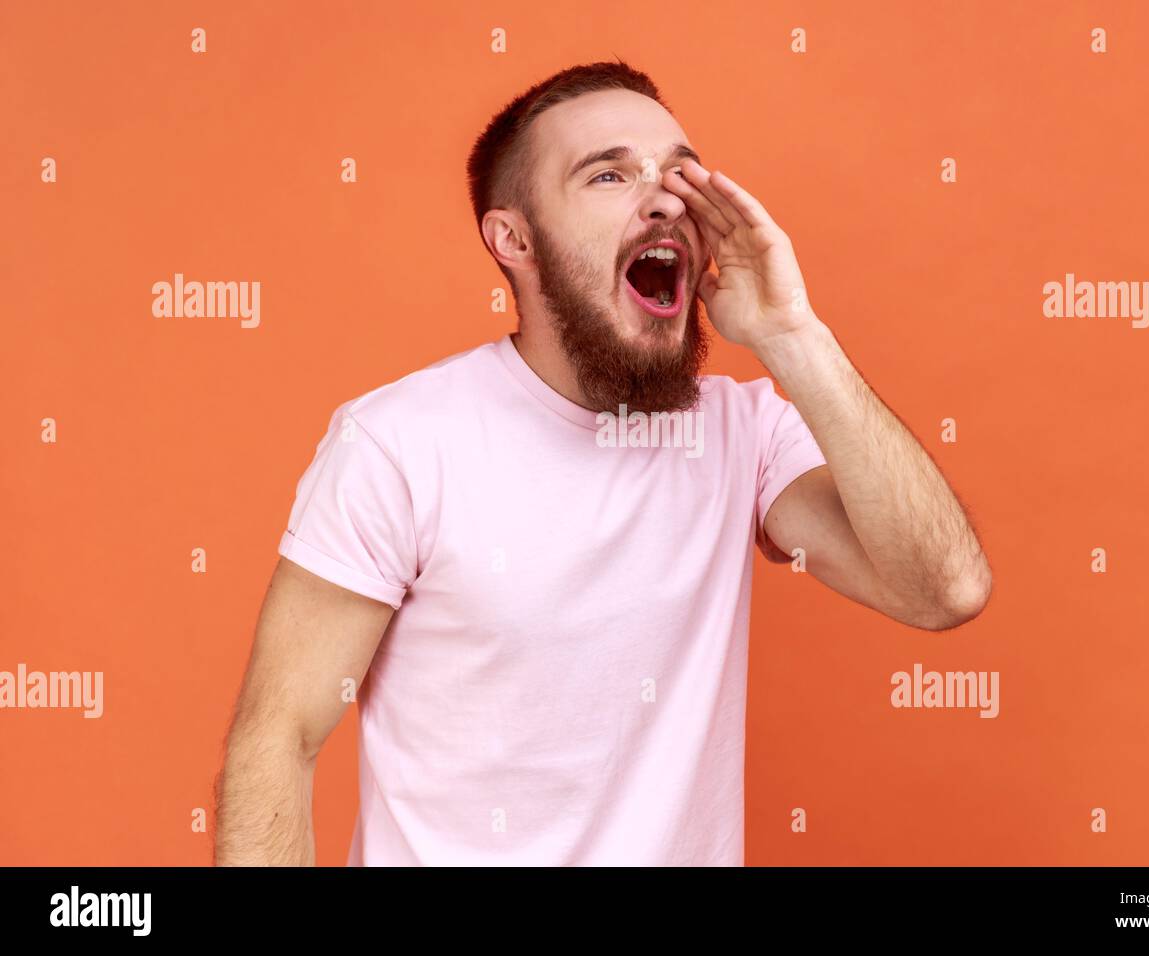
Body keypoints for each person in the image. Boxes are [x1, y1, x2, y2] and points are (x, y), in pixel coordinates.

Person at [214, 60, 993, 866]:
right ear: (514, 239)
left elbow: (945, 591)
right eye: (608, 174)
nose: (666, 197)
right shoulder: (398, 444)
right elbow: (277, 738)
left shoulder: (744, 432)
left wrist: (794, 337)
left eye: (680, 172)